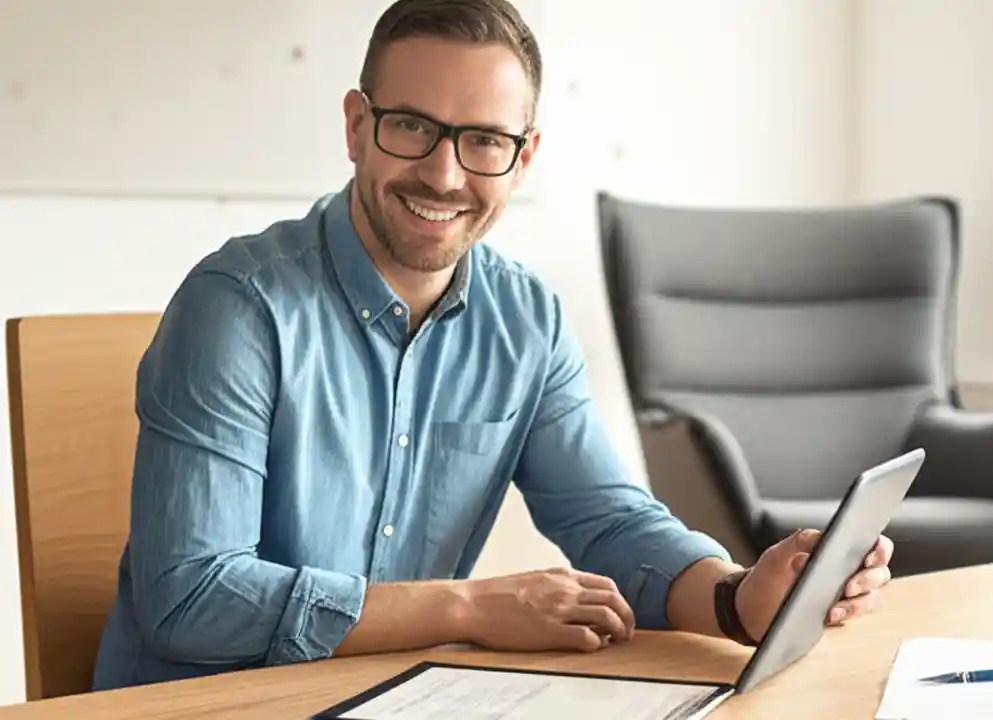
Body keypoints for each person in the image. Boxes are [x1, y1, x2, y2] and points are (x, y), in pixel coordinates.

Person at [92, 0, 894, 690]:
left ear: (523, 158)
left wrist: (737, 596)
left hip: (392, 694)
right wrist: (471, 608)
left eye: (484, 141)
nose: (444, 175)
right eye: (412, 127)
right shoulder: (238, 308)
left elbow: (610, 523)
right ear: (356, 126)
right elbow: (191, 600)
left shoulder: (525, 319)